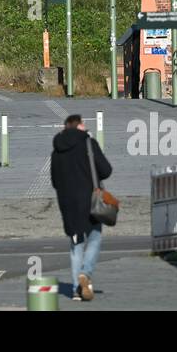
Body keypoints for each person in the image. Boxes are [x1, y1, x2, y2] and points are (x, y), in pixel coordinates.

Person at [50, 114, 113, 302]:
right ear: (80, 126)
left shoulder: (57, 151)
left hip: (68, 204)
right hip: (91, 201)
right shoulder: (89, 144)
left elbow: (54, 181)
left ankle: (77, 290)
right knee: (95, 237)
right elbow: (106, 170)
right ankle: (85, 273)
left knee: (76, 245)